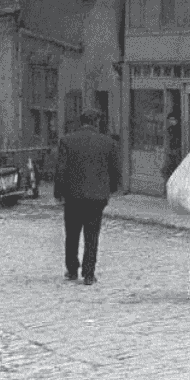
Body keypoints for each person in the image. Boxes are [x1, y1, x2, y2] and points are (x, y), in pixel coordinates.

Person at [53, 108, 121, 285]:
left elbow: (61, 169)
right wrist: (111, 189)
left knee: (72, 233)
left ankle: (72, 269)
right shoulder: (108, 143)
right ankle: (89, 273)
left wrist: (58, 192)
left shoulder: (67, 141)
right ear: (97, 122)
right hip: (97, 197)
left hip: (73, 196)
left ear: (81, 122)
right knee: (92, 235)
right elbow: (115, 170)